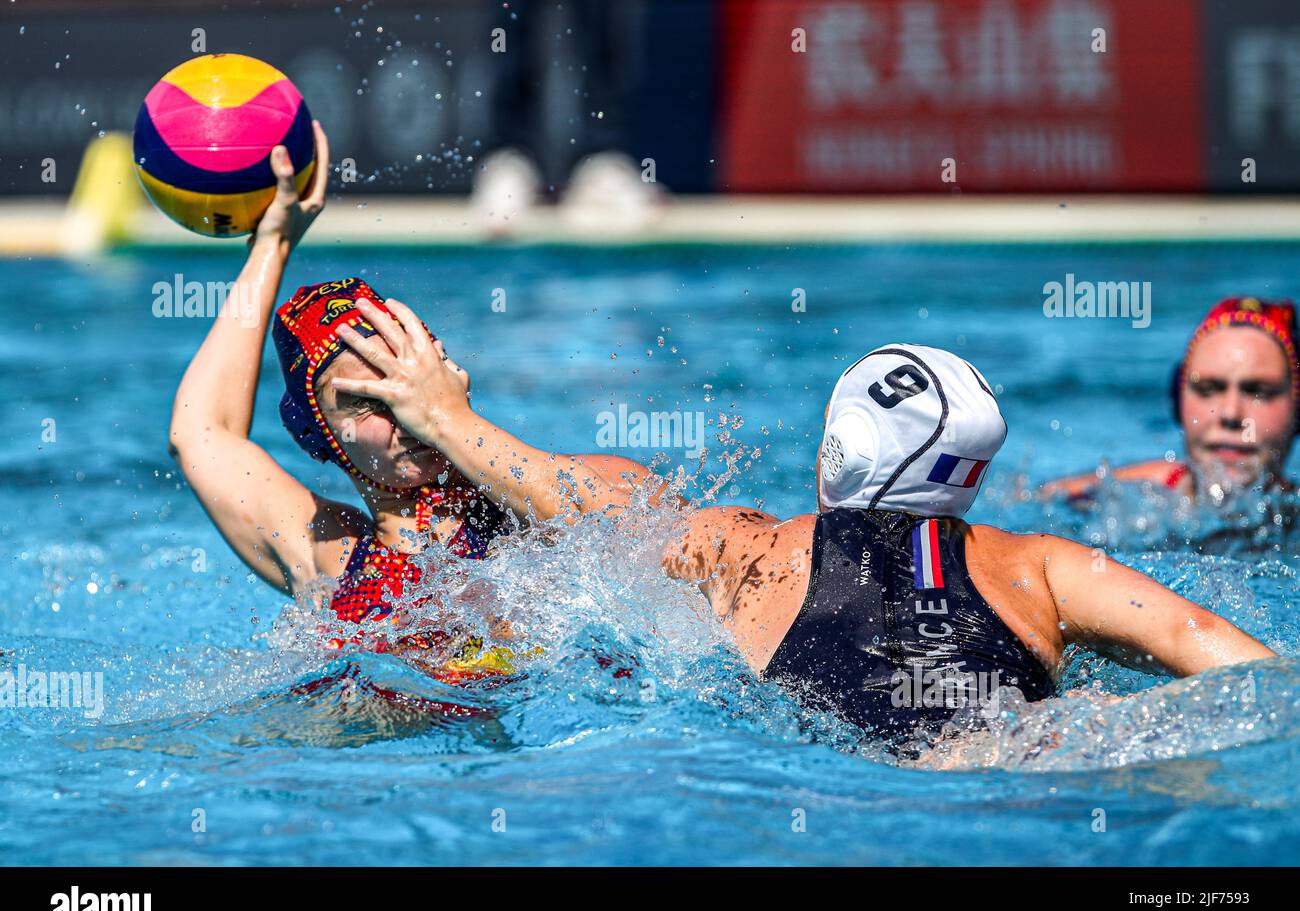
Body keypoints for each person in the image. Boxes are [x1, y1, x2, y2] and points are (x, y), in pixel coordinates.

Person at [323, 313, 1277, 744]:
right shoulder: (1045, 565)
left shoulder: (752, 546)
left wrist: (447, 420)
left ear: (839, 453)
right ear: (971, 480)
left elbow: (589, 512)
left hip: (837, 776)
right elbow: (1239, 664)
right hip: (1040, 747)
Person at [165, 123, 645, 684]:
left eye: (409, 379)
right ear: (322, 435)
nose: (402, 411)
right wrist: (273, 245)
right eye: (369, 401)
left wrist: (453, 423)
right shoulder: (333, 557)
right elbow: (200, 434)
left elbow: (643, 521)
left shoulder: (524, 515)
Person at [1043, 297, 1297, 503]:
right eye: (1208, 389)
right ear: (1178, 401)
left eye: (1259, 392)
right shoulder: (1129, 497)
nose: (1230, 414)